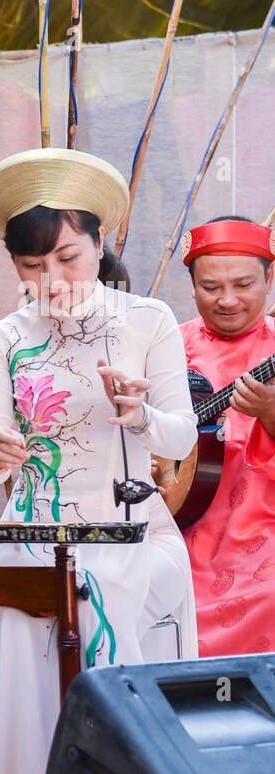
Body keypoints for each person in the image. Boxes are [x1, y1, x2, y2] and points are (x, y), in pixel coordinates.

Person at [0, 150, 199, 774]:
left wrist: (138, 415)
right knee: (22, 675)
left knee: (113, 658)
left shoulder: (148, 320)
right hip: (32, 531)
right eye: (31, 267)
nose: (52, 281)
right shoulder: (5, 338)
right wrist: (1, 452)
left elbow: (181, 433)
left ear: (100, 242)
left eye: (68, 258)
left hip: (128, 532)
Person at [176, 217, 275, 654]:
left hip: (263, 529)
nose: (228, 300)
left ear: (269, 278)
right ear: (193, 285)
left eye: (244, 284)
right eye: (211, 287)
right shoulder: (166, 345)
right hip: (179, 524)